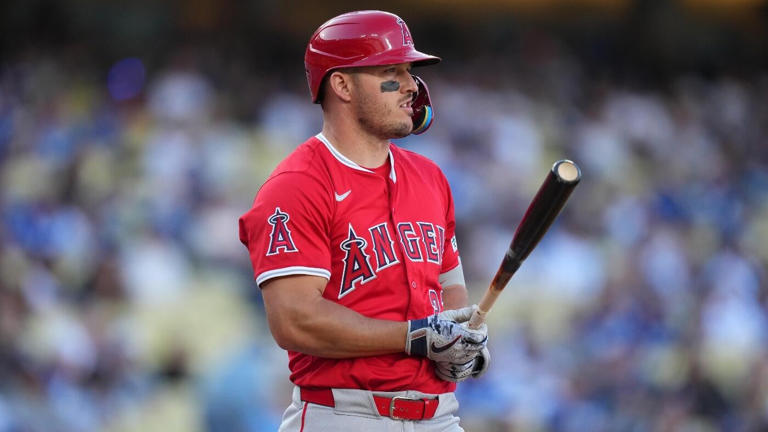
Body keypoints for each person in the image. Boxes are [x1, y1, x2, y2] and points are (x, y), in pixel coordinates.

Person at [238, 10, 490, 431]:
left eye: (410, 71)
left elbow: (448, 286)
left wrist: (462, 340)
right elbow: (294, 320)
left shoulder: (430, 178)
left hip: (440, 418)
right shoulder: (297, 185)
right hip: (345, 415)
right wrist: (414, 337)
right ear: (341, 84)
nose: (411, 85)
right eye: (392, 71)